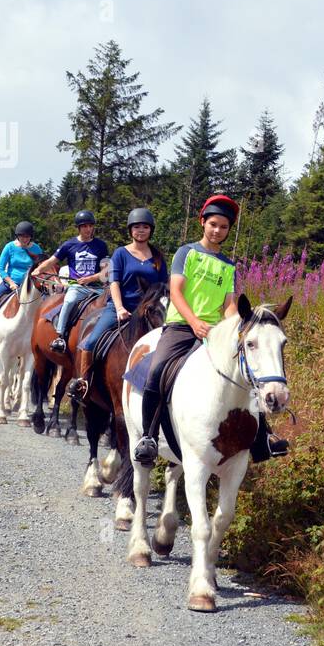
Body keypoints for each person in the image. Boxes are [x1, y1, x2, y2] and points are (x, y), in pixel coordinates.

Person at [132, 194, 288, 466]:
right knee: (156, 371)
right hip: (181, 326)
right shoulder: (187, 253)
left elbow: (229, 305)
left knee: (249, 374)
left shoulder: (228, 265)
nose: (217, 230)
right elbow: (177, 291)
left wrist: (234, 326)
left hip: (215, 333)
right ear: (202, 222)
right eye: (213, 224)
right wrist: (193, 321)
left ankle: (263, 438)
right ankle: (148, 436)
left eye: (224, 227)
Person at [68, 208, 168, 400]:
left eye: (145, 227)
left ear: (151, 230)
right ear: (130, 230)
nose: (141, 230)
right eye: (136, 227)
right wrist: (120, 307)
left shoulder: (157, 257)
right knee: (91, 341)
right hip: (120, 309)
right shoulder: (121, 253)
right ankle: (83, 383)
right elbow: (114, 282)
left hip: (150, 312)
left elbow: (162, 286)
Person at [31, 210, 110, 353]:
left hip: (97, 288)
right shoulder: (69, 245)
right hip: (76, 287)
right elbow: (52, 261)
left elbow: (105, 271)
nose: (88, 229)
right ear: (79, 228)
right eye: (85, 226)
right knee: (68, 301)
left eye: (90, 226)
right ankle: (60, 337)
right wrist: (38, 270)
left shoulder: (101, 246)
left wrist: (90, 278)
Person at [0, 221, 43, 343]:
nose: (25, 239)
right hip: (11, 283)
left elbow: (41, 267)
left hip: (31, 285)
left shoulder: (36, 249)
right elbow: (0, 268)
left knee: (48, 302)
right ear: (18, 236)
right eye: (22, 236)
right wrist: (11, 283)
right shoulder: (9, 247)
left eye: (27, 236)